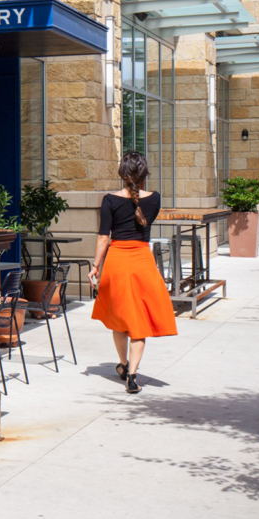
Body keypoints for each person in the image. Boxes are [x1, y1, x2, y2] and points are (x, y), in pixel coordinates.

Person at [89, 150, 177, 394]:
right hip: (142, 261)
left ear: (121, 173)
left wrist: (96, 265)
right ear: (144, 174)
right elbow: (143, 222)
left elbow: (103, 237)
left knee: (120, 317)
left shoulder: (109, 199)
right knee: (139, 318)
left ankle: (124, 366)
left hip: (117, 260)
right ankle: (133, 375)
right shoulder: (155, 198)